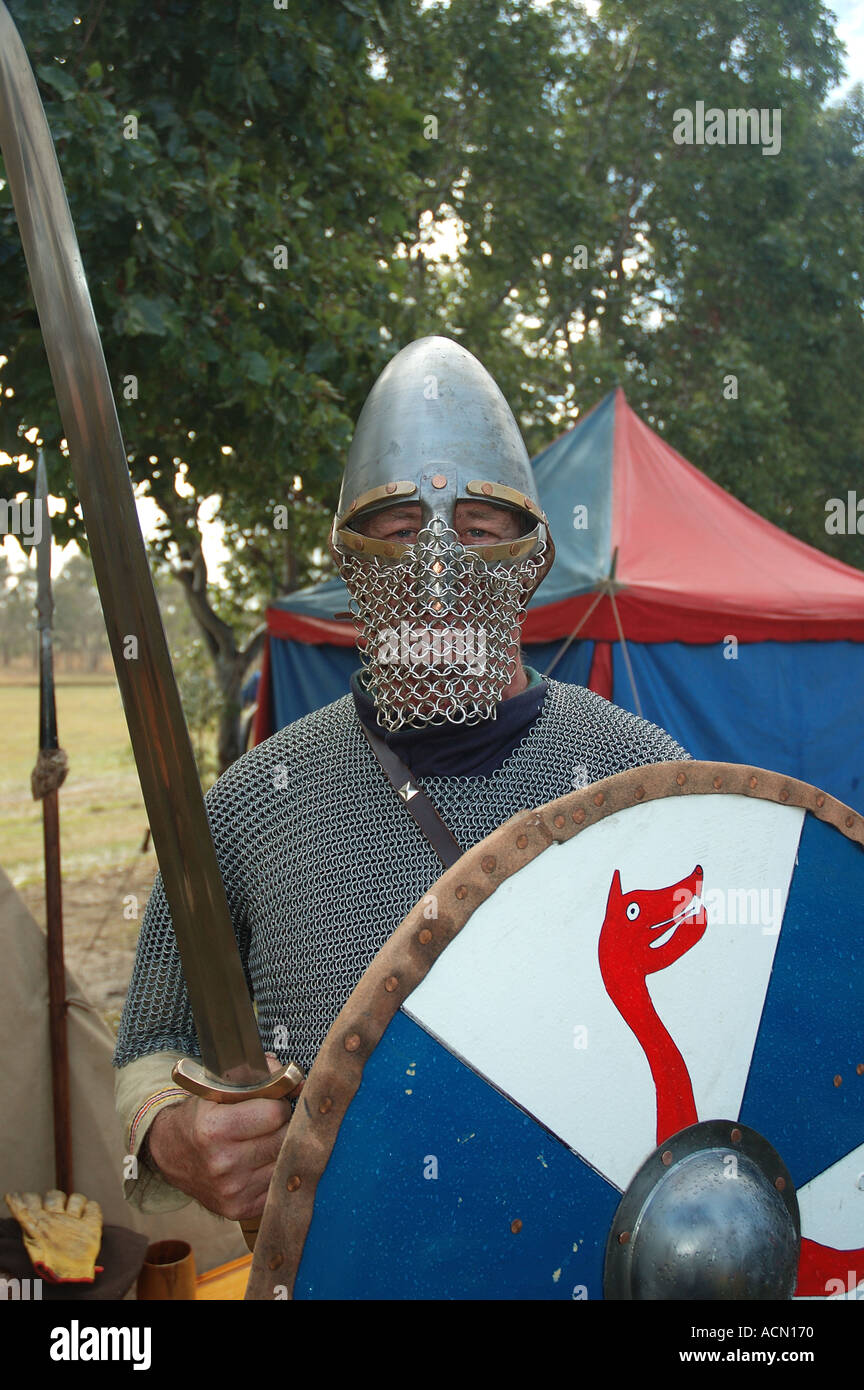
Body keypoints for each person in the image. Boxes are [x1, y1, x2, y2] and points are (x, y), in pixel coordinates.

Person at [113, 336, 689, 1222]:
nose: (439, 578)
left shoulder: (643, 781)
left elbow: (738, 1025)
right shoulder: (254, 802)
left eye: (477, 533)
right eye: (398, 535)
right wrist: (172, 1133)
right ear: (351, 569)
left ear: (530, 562)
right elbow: (153, 1038)